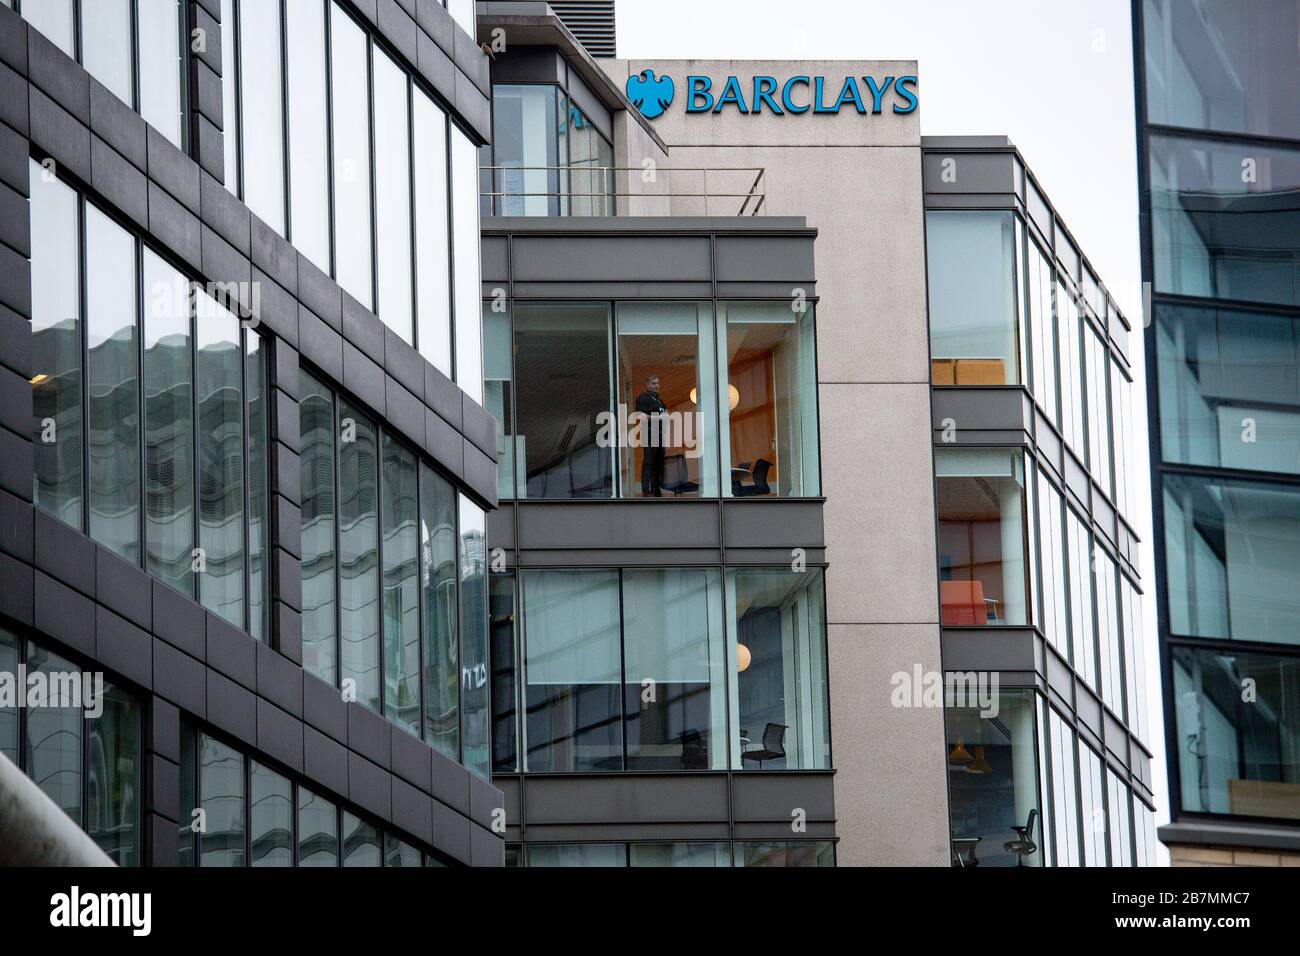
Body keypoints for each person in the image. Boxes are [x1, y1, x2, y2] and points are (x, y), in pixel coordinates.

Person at [635, 374, 667, 497]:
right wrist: (657, 417)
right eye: (653, 383)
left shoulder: (659, 400)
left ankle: (656, 489)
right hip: (648, 433)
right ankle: (646, 490)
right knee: (649, 461)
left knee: (658, 462)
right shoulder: (643, 398)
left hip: (660, 434)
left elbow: (663, 415)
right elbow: (639, 415)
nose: (656, 386)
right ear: (647, 385)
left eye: (658, 383)